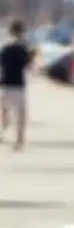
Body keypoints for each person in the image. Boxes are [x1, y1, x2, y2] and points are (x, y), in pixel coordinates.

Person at [0, 19, 33, 151]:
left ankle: (3, 131)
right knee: (20, 115)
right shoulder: (25, 47)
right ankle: (19, 139)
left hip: (5, 84)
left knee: (4, 111)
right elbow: (29, 65)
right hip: (18, 84)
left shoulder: (4, 46)